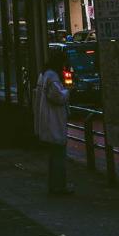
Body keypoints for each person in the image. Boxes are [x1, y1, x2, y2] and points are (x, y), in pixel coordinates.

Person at [33, 47, 72, 195]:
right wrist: (68, 90)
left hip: (47, 119)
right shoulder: (53, 77)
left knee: (53, 156)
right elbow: (58, 97)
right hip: (54, 120)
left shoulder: (44, 75)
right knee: (58, 156)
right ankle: (58, 186)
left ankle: (54, 185)